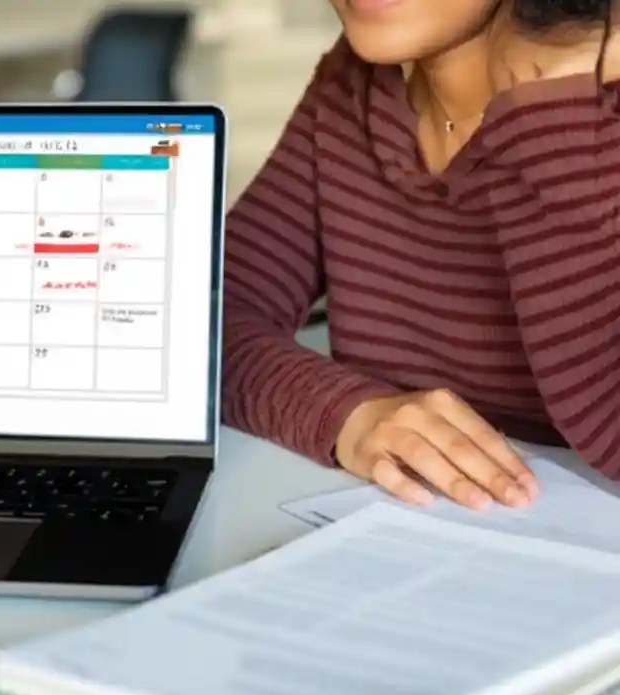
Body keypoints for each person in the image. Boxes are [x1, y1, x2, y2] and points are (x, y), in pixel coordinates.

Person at [223, 0, 620, 510]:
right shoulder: (355, 83)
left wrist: (549, 105)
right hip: (394, 540)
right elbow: (204, 321)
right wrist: (349, 414)